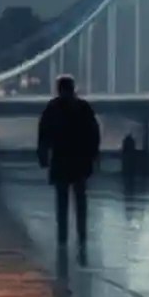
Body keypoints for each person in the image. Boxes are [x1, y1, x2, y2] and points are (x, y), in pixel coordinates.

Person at [36, 75, 101, 247]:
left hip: (61, 159)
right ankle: (82, 236)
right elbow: (94, 134)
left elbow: (44, 134)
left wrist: (43, 156)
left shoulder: (52, 108)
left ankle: (62, 237)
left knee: (62, 201)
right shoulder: (83, 107)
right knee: (80, 201)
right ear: (73, 89)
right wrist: (93, 156)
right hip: (79, 160)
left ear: (59, 89)